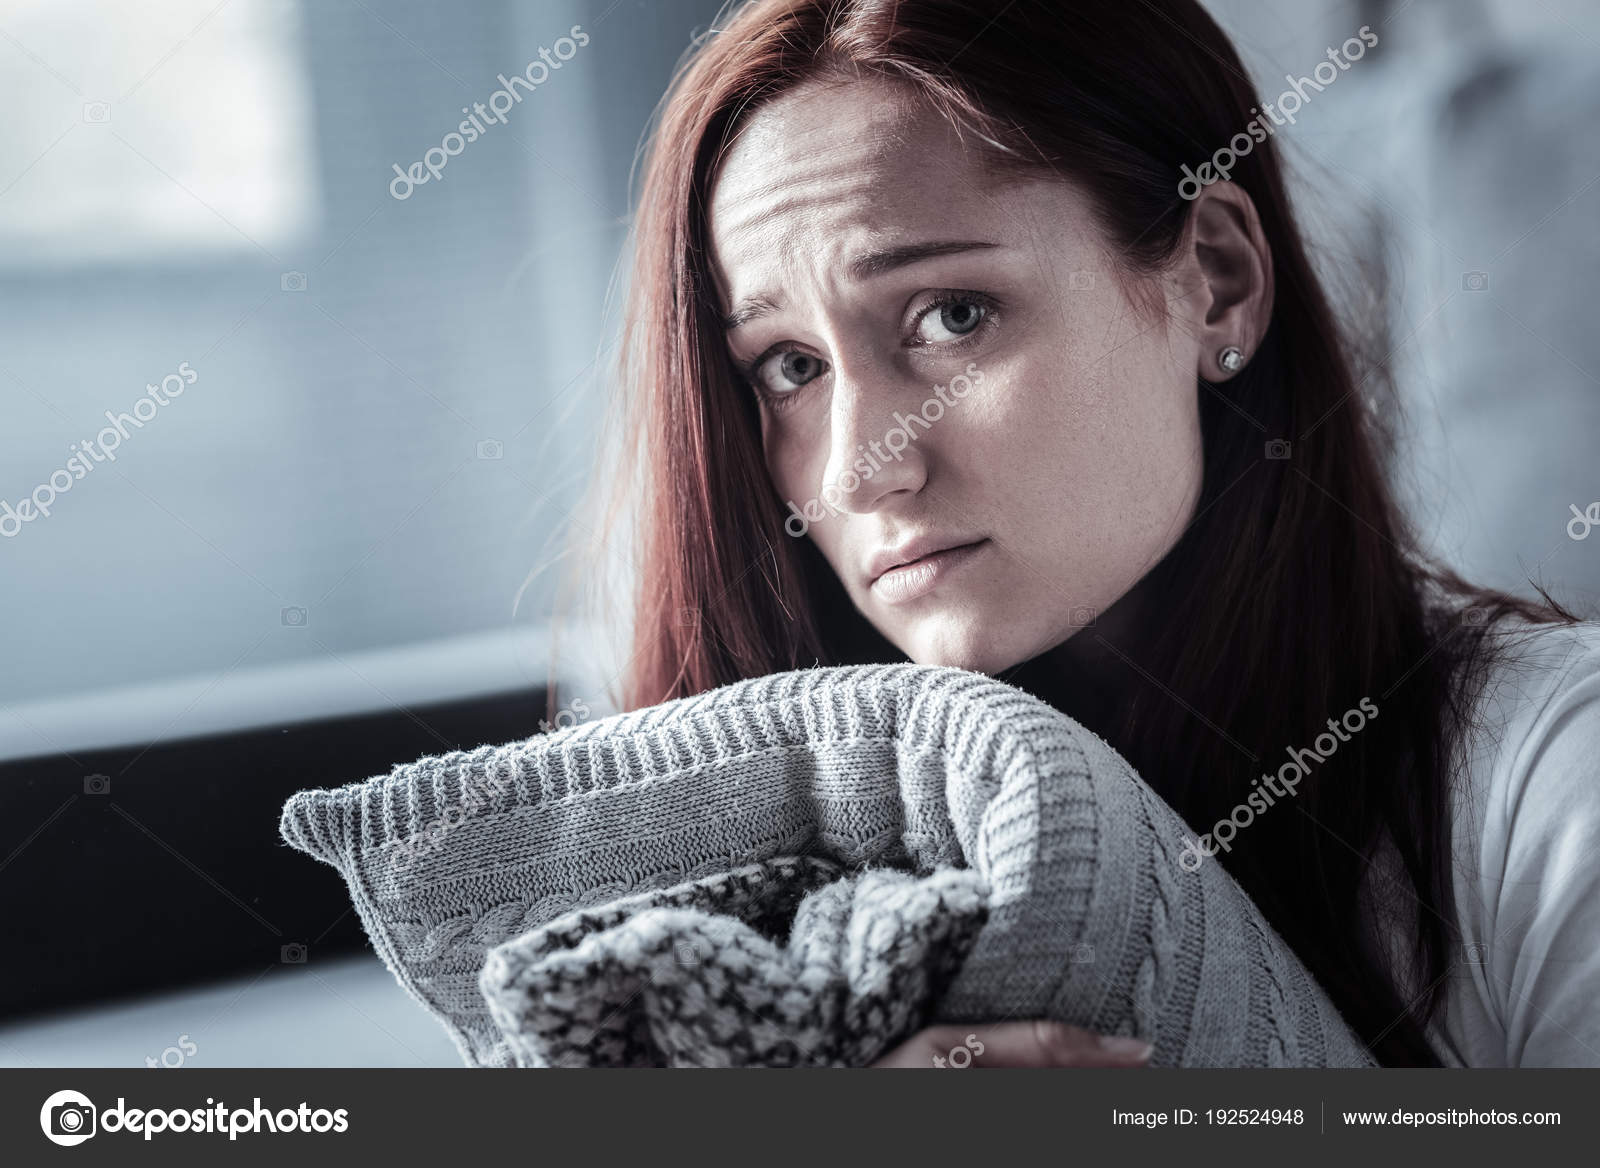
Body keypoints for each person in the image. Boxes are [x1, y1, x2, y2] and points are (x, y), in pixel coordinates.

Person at [576, 0, 1600, 1066]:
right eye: (790, 367)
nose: (858, 470)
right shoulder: (690, 872)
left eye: (952, 315)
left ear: (1217, 282)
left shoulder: (1553, 784)